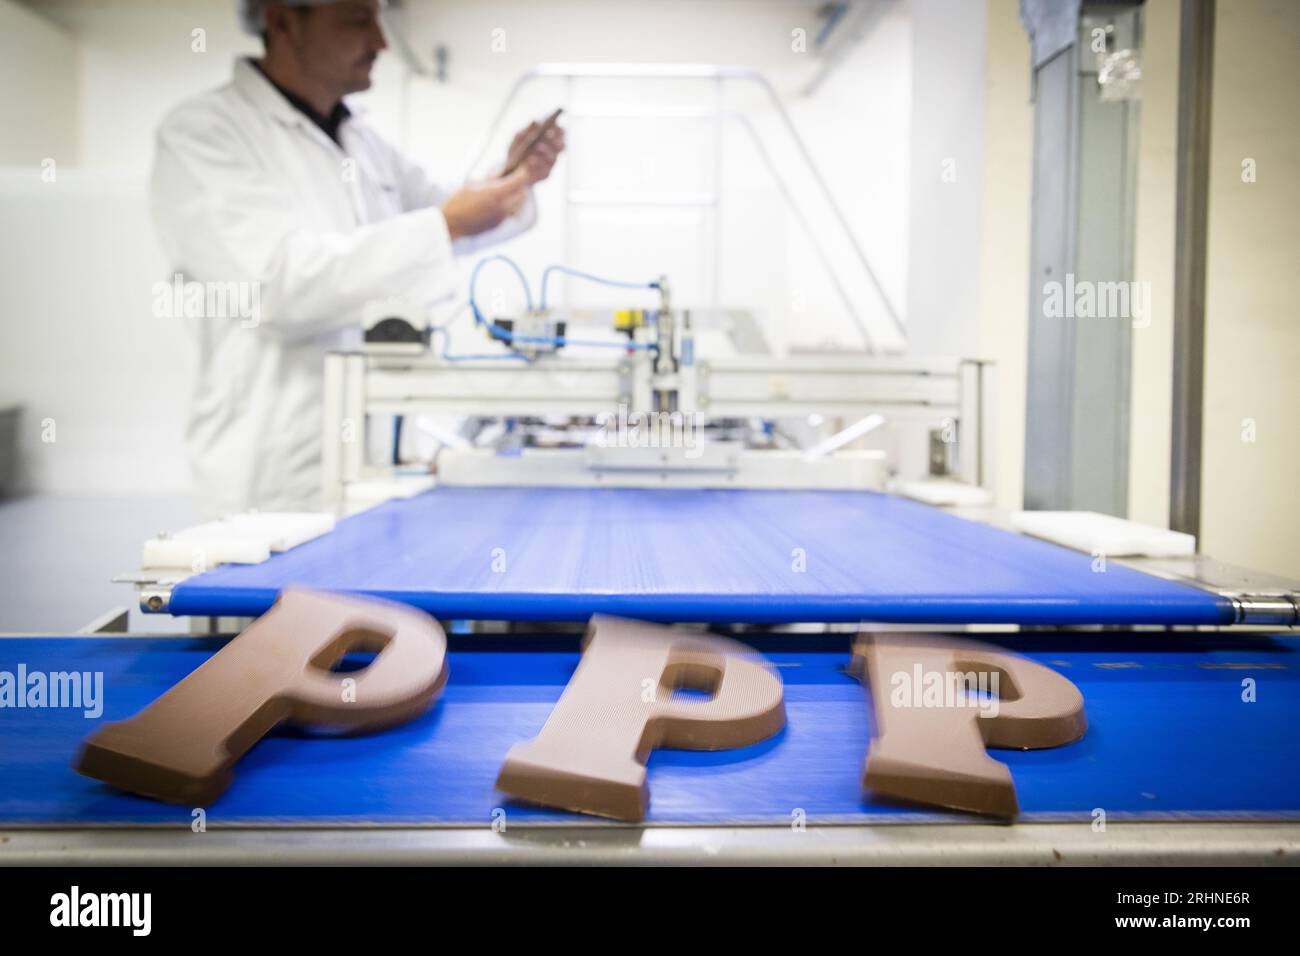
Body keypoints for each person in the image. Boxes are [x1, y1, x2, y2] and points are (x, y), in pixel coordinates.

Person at [150, 0, 564, 516]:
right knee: (276, 598)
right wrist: (448, 222)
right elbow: (276, 289)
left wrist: (512, 176)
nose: (381, 42)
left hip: (371, 461)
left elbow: (443, 217)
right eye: (356, 20)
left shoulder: (361, 139)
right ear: (282, 20)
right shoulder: (204, 133)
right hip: (273, 474)